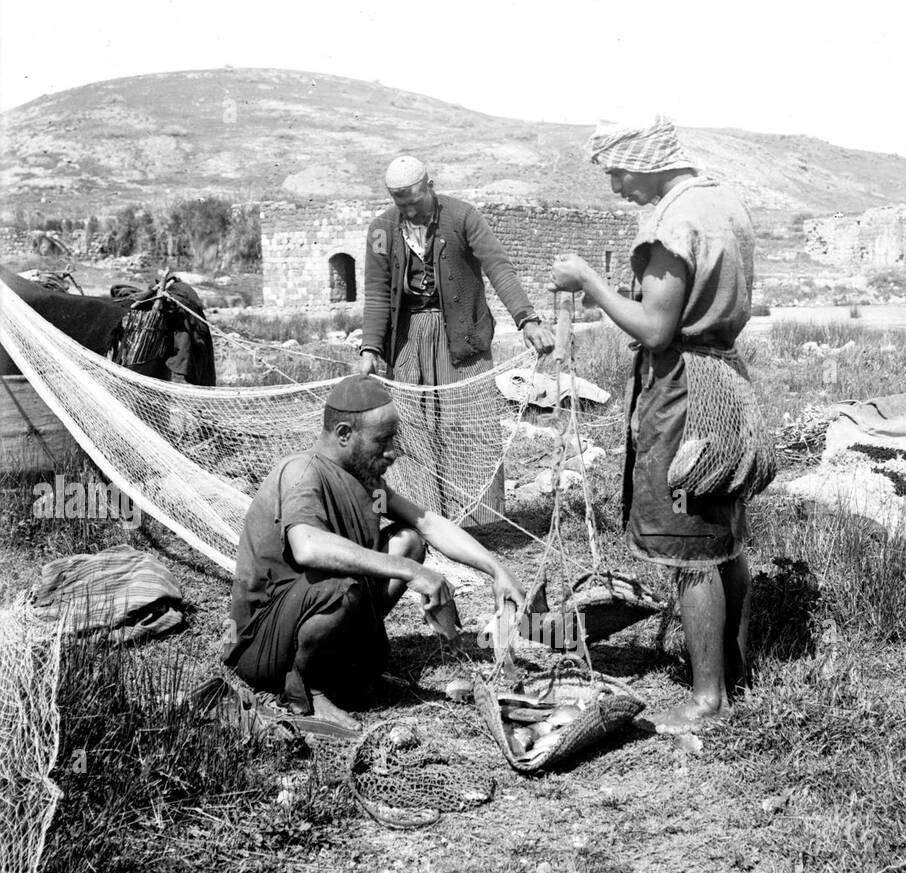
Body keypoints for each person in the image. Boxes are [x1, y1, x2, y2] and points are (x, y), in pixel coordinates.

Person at [550, 116, 756, 734]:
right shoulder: (722, 200)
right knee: (724, 537)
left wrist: (588, 281)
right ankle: (735, 674)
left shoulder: (673, 221)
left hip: (683, 389)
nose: (614, 186)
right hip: (725, 380)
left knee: (688, 545)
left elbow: (656, 330)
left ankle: (706, 701)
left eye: (616, 171)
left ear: (642, 161)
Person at [223, 376, 524, 726]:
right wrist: (412, 573)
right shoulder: (302, 474)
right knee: (341, 586)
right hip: (261, 648)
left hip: (319, 611)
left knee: (407, 542)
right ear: (344, 433)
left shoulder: (367, 484)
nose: (392, 452)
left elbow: (427, 524)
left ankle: (342, 658)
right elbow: (307, 547)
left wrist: (496, 569)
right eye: (382, 441)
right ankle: (306, 688)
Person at [360, 155, 555, 522]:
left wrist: (527, 319)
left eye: (416, 201)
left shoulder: (464, 217)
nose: (410, 211)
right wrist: (371, 346)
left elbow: (499, 267)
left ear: (430, 187)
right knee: (411, 429)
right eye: (401, 204)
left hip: (462, 339)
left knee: (466, 425)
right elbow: (376, 292)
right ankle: (421, 517)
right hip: (407, 343)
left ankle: (476, 520)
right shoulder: (381, 230)